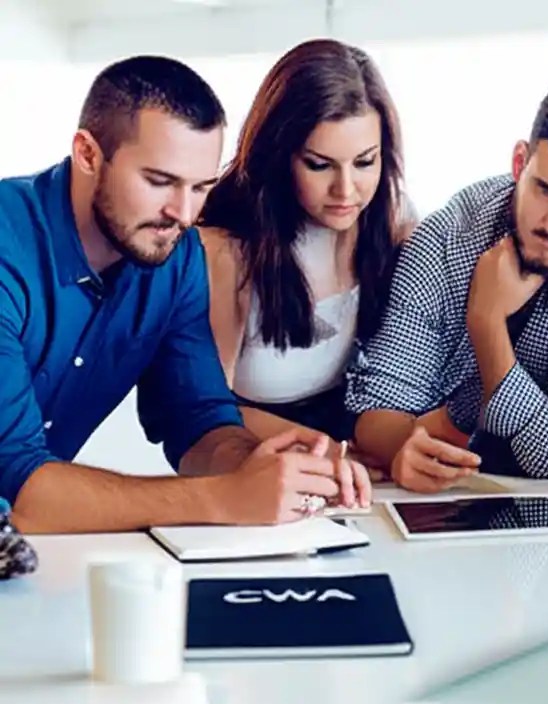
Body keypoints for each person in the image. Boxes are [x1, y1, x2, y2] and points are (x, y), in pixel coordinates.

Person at [0, 56, 369, 534]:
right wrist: (226, 498)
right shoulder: (9, 247)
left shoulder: (176, 257)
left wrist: (258, 465)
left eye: (200, 187)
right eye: (160, 182)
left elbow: (197, 420)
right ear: (87, 154)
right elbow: (20, 489)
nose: (184, 213)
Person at [346, 78, 548, 490]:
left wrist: (486, 323)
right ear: (520, 163)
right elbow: (376, 408)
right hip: (417, 499)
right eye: (545, 190)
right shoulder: (451, 235)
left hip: (543, 507)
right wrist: (401, 449)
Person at [199, 39, 414, 450]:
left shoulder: (393, 218)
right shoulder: (225, 250)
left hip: (363, 445)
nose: (345, 190)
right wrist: (329, 450)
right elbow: (207, 409)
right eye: (319, 165)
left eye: (365, 161)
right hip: (256, 451)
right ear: (280, 155)